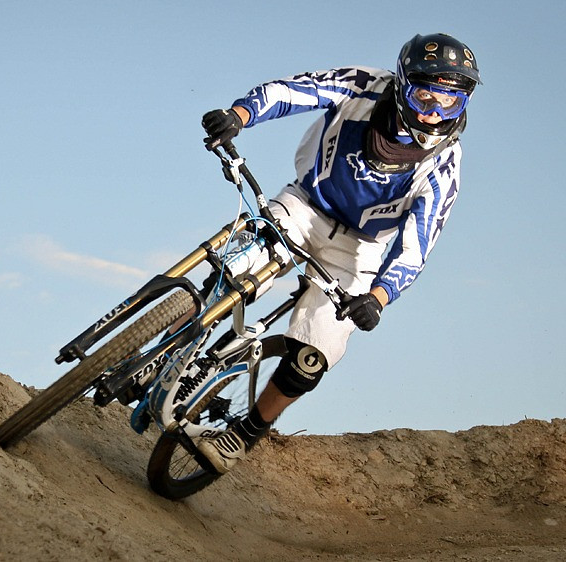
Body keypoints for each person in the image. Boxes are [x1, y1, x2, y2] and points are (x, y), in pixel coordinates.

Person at [195, 32, 482, 473]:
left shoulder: (445, 164)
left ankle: (243, 435)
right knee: (232, 266)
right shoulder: (365, 85)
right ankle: (163, 345)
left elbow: (416, 247)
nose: (434, 113)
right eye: (426, 96)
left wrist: (379, 297)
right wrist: (240, 115)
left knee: (316, 354)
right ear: (403, 84)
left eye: (451, 102)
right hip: (304, 206)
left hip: (359, 251)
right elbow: (293, 90)